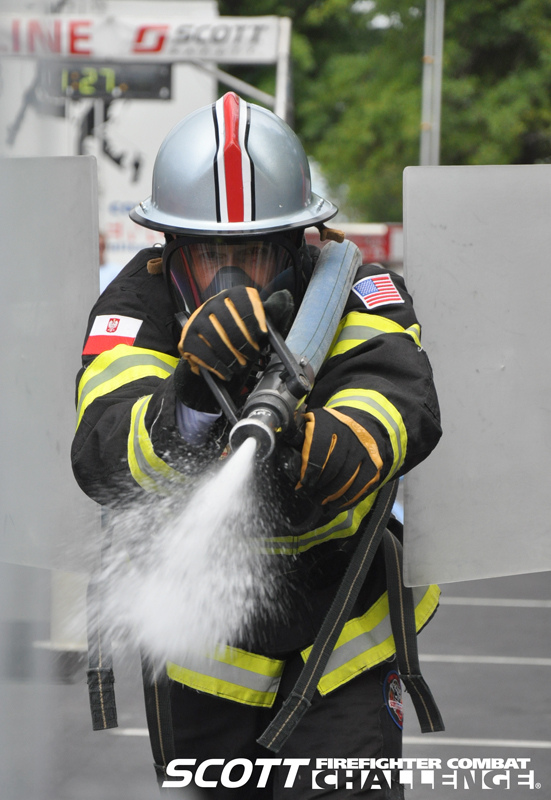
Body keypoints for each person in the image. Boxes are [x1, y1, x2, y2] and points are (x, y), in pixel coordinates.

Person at [72, 92, 443, 799]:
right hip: (199, 644)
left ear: (297, 246)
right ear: (171, 252)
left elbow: (397, 407)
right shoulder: (136, 306)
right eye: (213, 255)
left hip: (343, 638)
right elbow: (103, 448)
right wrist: (187, 396)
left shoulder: (357, 292)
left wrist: (304, 438)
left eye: (255, 254)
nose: (234, 278)